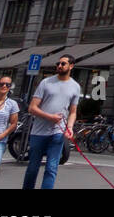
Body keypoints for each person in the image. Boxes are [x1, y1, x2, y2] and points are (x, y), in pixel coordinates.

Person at [22, 54, 81, 190]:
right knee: (32, 168)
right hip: (39, 132)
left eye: (63, 64)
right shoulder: (46, 82)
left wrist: (70, 128)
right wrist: (49, 117)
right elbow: (32, 108)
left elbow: (72, 112)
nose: (59, 66)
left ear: (71, 66)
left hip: (57, 133)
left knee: (51, 168)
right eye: (58, 63)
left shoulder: (75, 87)